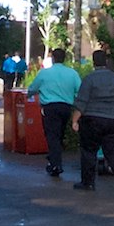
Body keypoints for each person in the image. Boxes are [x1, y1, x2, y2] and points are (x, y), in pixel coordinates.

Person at [74, 49, 114, 194]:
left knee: (88, 151)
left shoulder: (89, 79)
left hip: (92, 119)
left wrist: (75, 120)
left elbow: (81, 102)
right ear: (106, 61)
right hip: (113, 120)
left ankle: (88, 183)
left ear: (93, 62)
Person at [31, 46, 82, 179]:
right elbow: (80, 91)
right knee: (59, 134)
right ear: (64, 59)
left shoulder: (44, 73)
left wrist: (30, 94)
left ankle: (55, 164)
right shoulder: (72, 73)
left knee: (52, 135)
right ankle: (55, 156)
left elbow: (33, 88)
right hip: (66, 107)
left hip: (50, 108)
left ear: (53, 58)